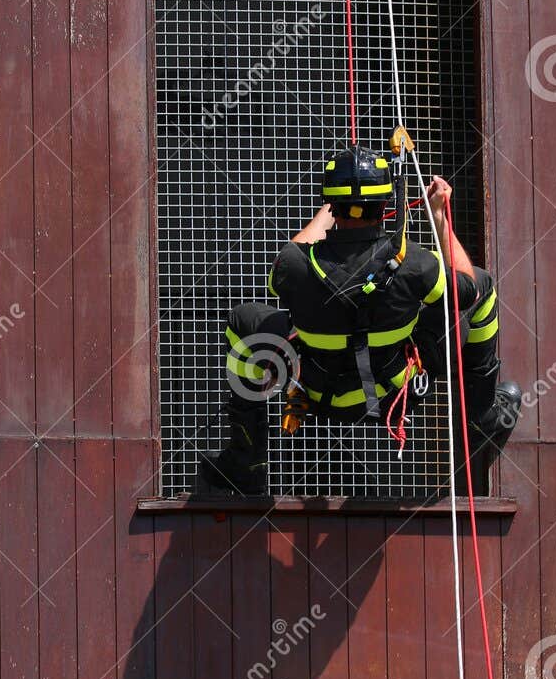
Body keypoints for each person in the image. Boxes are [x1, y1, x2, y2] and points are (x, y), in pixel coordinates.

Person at [194, 145, 521, 497]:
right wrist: (440, 217)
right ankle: (481, 417)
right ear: (385, 205)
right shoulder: (414, 263)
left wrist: (330, 211)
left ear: (331, 205)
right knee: (481, 288)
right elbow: (466, 289)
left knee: (244, 320)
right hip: (394, 393)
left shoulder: (295, 265)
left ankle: (247, 460)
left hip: (319, 394)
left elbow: (287, 262)